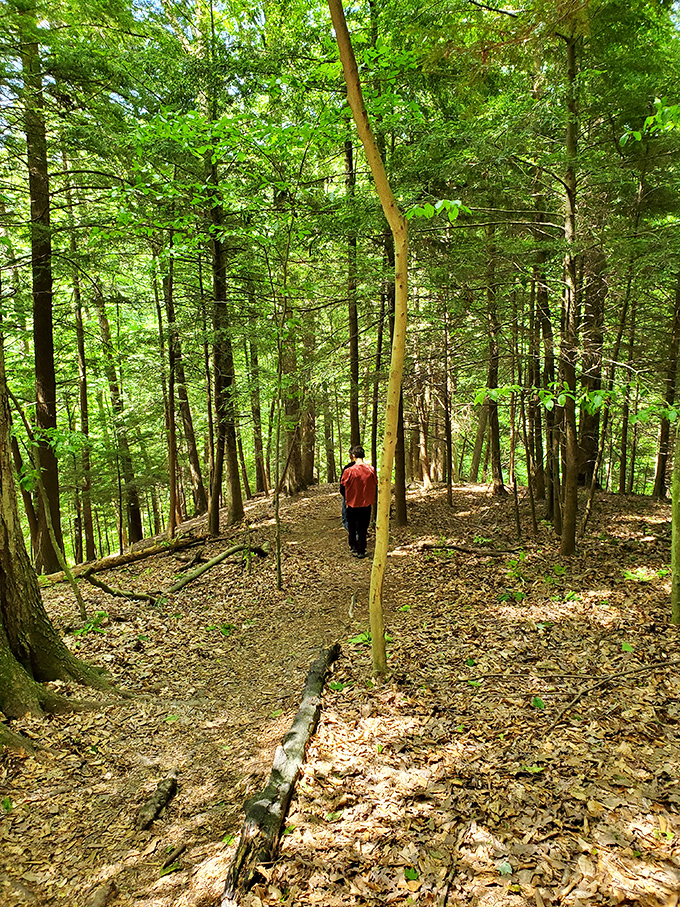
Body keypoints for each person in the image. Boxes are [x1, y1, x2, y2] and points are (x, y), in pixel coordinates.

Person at [340, 445, 378, 559]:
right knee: (363, 526)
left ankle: (354, 547)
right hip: (366, 504)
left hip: (352, 503)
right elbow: (375, 485)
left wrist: (347, 497)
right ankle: (362, 549)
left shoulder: (348, 471)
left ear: (353, 456)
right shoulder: (371, 470)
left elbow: (342, 488)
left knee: (352, 525)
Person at [339, 452, 356, 531]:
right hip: (362, 499)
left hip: (349, 497)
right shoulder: (368, 468)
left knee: (346, 518)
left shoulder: (347, 468)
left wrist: (345, 495)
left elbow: (342, 485)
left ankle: (355, 536)